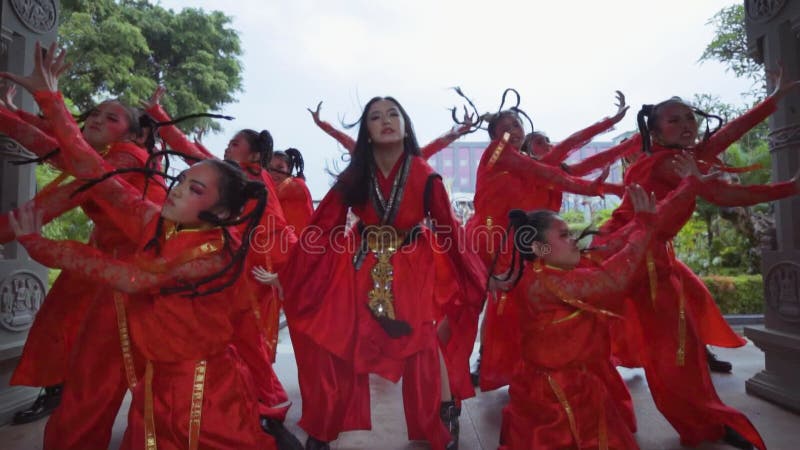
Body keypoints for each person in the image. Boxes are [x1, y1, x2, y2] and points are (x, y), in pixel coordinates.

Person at [4, 42, 276, 449]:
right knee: (117, 407)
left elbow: (128, 276)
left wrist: (44, 248)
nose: (178, 189)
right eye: (181, 182)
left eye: (194, 188)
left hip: (201, 392)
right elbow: (93, 169)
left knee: (94, 390)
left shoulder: (208, 254)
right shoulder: (159, 221)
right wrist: (48, 97)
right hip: (155, 380)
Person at [266, 96, 486, 450]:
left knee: (420, 342)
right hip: (360, 262)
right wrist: (292, 272)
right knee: (340, 341)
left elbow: (450, 232)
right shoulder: (355, 176)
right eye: (375, 117)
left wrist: (475, 275)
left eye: (393, 114)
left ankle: (444, 417)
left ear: (405, 124)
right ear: (366, 131)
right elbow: (322, 227)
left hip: (412, 263)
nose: (386, 120)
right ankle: (324, 428)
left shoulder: (424, 174)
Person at [594, 76, 800, 449]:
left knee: (679, 343)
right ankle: (703, 422)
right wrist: (789, 187)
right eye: (675, 119)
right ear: (655, 130)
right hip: (639, 260)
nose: (687, 124)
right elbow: (722, 193)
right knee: (673, 352)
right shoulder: (664, 165)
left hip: (647, 255)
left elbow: (720, 140)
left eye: (690, 117)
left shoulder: (677, 157)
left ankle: (704, 418)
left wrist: (771, 102)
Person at [0, 78, 165, 430]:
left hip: (130, 274)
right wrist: (13, 113)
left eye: (112, 118)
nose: (96, 120)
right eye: (96, 113)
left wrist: (36, 104)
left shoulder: (123, 161)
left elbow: (46, 195)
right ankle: (59, 391)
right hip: (103, 260)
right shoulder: (107, 156)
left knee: (100, 370)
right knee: (62, 323)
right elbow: (55, 145)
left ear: (130, 135)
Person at [141, 86, 302, 448]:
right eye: (228, 144)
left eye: (233, 144)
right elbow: (192, 155)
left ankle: (269, 410)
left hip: (243, 275)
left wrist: (283, 275)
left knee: (247, 344)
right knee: (242, 346)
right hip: (231, 271)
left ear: (252, 153)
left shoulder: (250, 180)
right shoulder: (240, 177)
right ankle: (259, 407)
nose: (227, 149)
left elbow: (278, 228)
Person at [269, 148, 314, 233]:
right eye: (270, 168)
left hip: (304, 242)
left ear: (289, 169)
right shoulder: (275, 190)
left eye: (280, 167)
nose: (273, 172)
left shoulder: (296, 185)